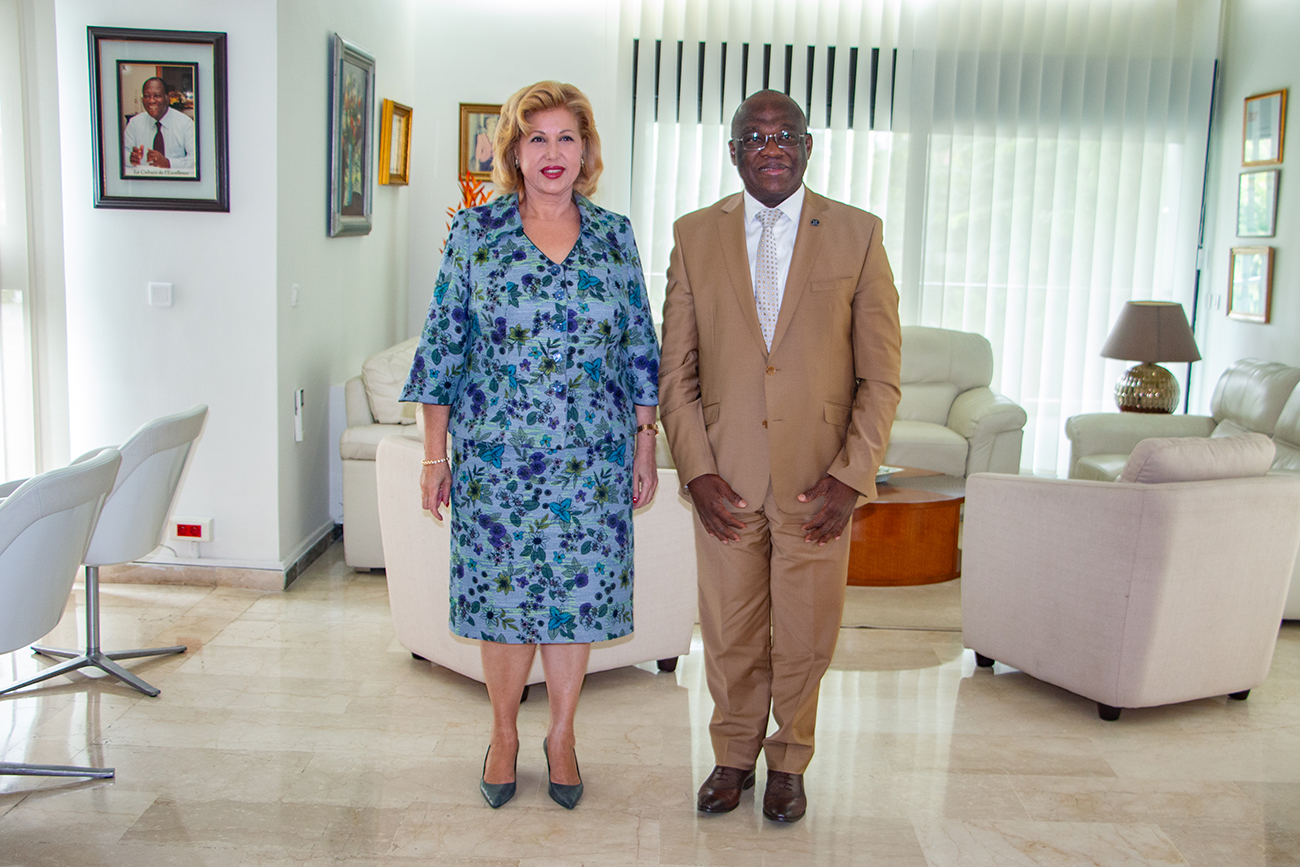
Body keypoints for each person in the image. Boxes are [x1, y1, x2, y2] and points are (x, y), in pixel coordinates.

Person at [400, 81, 660, 811]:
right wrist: (434, 453)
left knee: (577, 603)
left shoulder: (615, 236)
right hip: (497, 463)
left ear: (587, 151)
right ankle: (506, 733)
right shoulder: (475, 235)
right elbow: (442, 349)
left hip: (592, 461)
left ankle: (565, 735)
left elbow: (642, 346)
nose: (553, 153)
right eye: (537, 138)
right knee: (504, 604)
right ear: (515, 150)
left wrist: (645, 441)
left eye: (566, 138)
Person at [659, 90, 901, 823]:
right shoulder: (694, 235)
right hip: (724, 476)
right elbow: (677, 370)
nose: (771, 147)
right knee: (730, 629)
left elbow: (881, 374)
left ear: (807, 146)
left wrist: (852, 475)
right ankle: (733, 756)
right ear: (733, 152)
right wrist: (695, 468)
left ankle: (789, 760)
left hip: (815, 479)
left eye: (785, 134)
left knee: (805, 631)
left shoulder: (858, 234)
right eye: (755, 137)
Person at [121, 77, 196, 176]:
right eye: (147, 96)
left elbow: (196, 159)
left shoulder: (185, 123)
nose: (151, 101)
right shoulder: (134, 123)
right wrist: (130, 159)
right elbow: (120, 155)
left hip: (176, 184)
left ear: (167, 98)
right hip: (143, 184)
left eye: (157, 96)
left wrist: (168, 163)